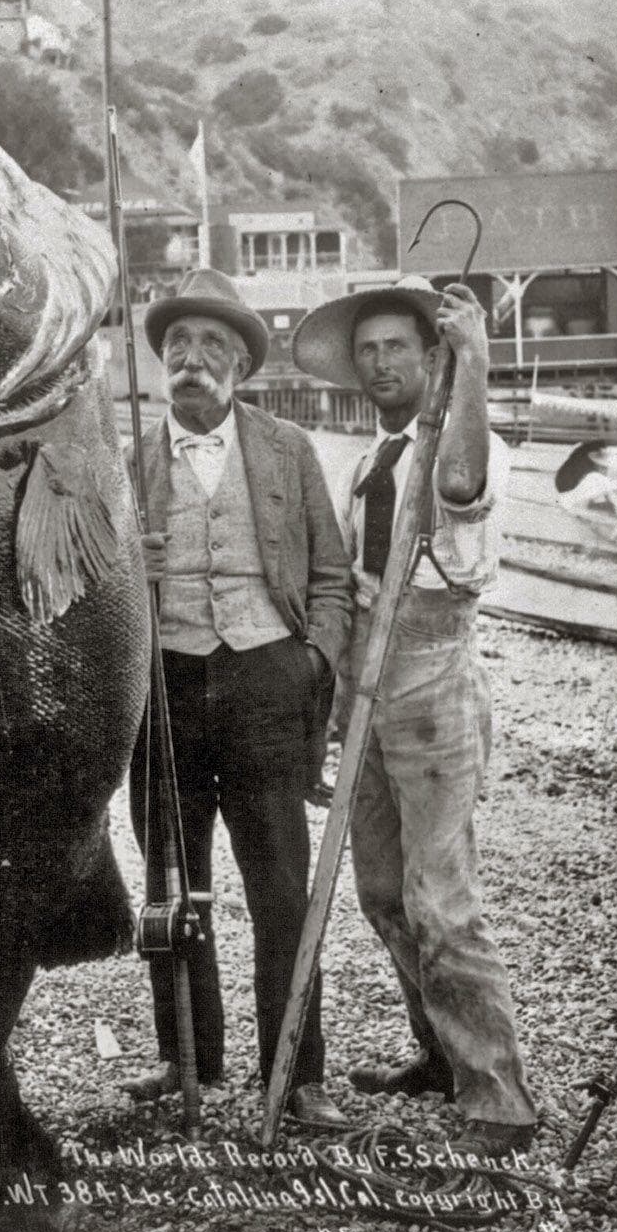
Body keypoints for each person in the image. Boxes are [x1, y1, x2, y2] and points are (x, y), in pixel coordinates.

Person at [293, 275, 536, 1156]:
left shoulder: (470, 441)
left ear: (430, 357)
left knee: (443, 898)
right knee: (383, 890)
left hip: (435, 676)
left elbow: (462, 480)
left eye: (399, 346)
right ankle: (438, 1051)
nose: (381, 362)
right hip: (370, 679)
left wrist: (475, 358)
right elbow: (359, 582)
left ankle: (499, 1095)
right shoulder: (372, 462)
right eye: (368, 351)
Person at [121, 268, 353, 1129]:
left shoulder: (288, 448)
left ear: (242, 365)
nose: (191, 360)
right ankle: (187, 1053)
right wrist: (125, 572)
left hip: (264, 680)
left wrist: (311, 661)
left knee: (281, 890)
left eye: (211, 346)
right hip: (165, 687)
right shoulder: (131, 457)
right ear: (161, 365)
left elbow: (331, 575)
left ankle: (296, 1071)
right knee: (170, 889)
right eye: (178, 346)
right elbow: (94, 584)